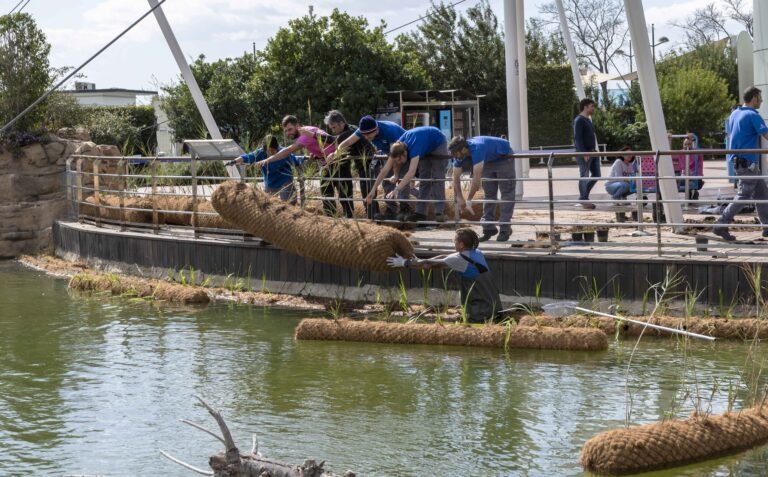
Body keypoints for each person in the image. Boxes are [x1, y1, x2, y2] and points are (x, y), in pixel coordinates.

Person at [386, 228, 502, 323]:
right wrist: (419, 260)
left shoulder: (459, 259)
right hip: (494, 305)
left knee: (473, 319)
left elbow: (428, 265)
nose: (453, 242)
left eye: (454, 241)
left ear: (461, 245)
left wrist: (404, 263)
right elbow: (443, 257)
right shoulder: (476, 252)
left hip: (482, 311)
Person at [714, 86, 768, 241]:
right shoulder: (753, 115)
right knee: (743, 195)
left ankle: (766, 227)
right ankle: (721, 224)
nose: (762, 101)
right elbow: (766, 134)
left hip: (740, 162)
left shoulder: (735, 114)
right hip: (749, 163)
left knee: (762, 193)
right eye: (760, 98)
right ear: (754, 98)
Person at [255, 115, 339, 215]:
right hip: (328, 162)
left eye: (290, 129)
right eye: (286, 131)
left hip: (336, 160)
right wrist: (317, 154)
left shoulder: (305, 134)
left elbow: (288, 150)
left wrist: (268, 160)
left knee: (338, 193)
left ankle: (345, 218)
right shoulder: (308, 130)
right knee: (327, 195)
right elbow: (321, 143)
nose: (288, 133)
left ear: (297, 126)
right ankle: (332, 218)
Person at [366, 125, 449, 223]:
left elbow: (411, 172)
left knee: (437, 179)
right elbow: (385, 170)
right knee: (424, 179)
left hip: (437, 142)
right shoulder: (397, 148)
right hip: (425, 144)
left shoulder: (414, 149)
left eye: (400, 160)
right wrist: (372, 190)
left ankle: (439, 213)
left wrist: (396, 190)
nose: (399, 162)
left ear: (405, 153)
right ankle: (420, 213)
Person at [335, 115, 406, 221]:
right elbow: (347, 143)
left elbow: (393, 159)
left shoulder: (389, 131)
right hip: (388, 152)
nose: (366, 138)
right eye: (364, 135)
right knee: (387, 181)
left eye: (368, 135)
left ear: (376, 129)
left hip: (403, 152)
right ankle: (391, 210)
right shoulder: (364, 131)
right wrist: (336, 153)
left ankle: (405, 209)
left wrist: (395, 173)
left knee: (403, 179)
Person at [448, 135, 516, 242]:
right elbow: (455, 178)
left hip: (503, 157)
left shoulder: (477, 149)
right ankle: (488, 228)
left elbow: (476, 179)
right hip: (489, 160)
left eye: (456, 153)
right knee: (489, 193)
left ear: (464, 149)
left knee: (507, 193)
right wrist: (460, 198)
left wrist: (469, 200)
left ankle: (505, 228)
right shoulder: (460, 155)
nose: (455, 156)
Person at [233, 135, 302, 203]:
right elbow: (247, 157)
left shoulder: (284, 152)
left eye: (273, 150)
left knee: (287, 203)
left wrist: (300, 175)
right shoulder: (260, 153)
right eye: (268, 151)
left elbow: (296, 163)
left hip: (285, 181)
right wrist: (234, 161)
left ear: (277, 147)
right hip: (270, 183)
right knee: (266, 203)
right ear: (264, 149)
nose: (271, 153)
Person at [573, 98, 600, 209]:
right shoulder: (579, 120)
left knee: (597, 175)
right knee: (584, 175)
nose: (593, 108)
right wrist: (584, 152)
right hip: (585, 153)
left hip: (593, 152)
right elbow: (577, 138)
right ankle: (583, 199)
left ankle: (584, 197)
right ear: (585, 107)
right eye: (591, 106)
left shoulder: (588, 120)